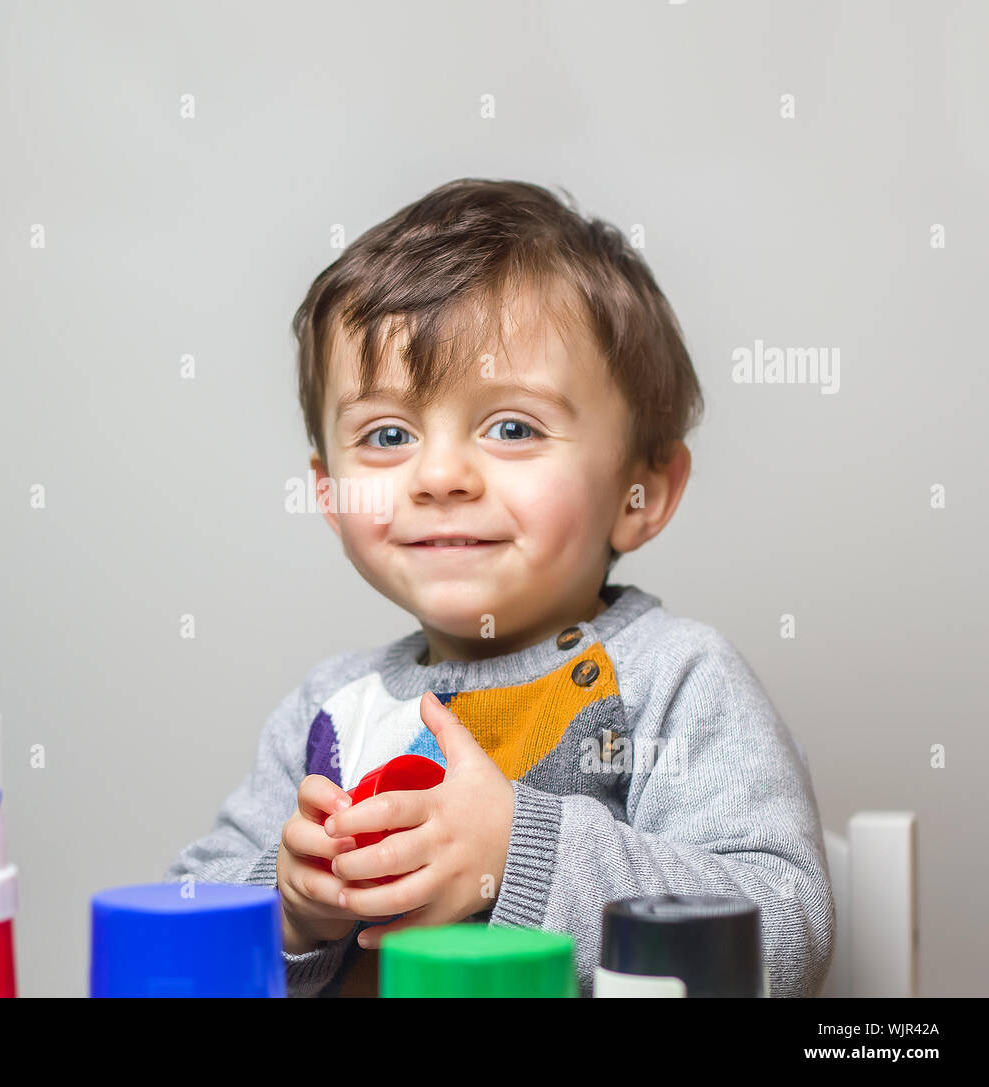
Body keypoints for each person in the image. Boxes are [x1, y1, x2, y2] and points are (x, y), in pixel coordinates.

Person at [166, 178, 834, 997]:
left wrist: (520, 852)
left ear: (643, 491)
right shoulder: (330, 710)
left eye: (512, 427)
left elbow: (783, 931)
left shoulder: (675, 678)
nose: (440, 474)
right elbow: (188, 913)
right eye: (387, 434)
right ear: (331, 494)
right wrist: (287, 906)